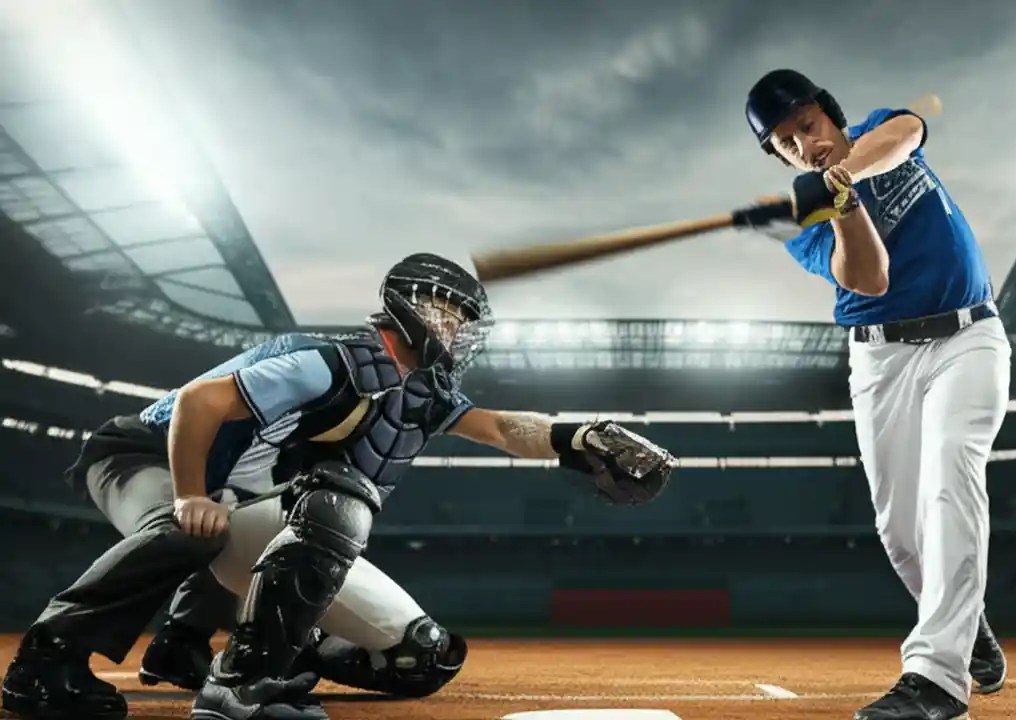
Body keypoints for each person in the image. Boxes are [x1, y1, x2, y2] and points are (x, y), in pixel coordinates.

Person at [1, 253, 675, 720]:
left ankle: (187, 645)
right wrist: (189, 494)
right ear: (407, 302)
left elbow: (502, 428)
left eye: (464, 320)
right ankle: (49, 661)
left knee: (422, 661)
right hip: (144, 451)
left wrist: (578, 437)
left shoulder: (422, 394)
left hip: (239, 500)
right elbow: (201, 405)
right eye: (448, 310)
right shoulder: (332, 359)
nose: (456, 328)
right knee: (244, 516)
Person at [733, 69, 1010, 720]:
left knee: (950, 476)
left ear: (829, 115)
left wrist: (847, 175)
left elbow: (906, 134)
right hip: (881, 359)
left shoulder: (880, 130)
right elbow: (872, 277)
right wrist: (841, 208)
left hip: (966, 338)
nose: (804, 144)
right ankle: (967, 621)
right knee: (899, 532)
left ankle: (937, 680)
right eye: (785, 142)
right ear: (777, 155)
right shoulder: (806, 229)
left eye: (807, 124)